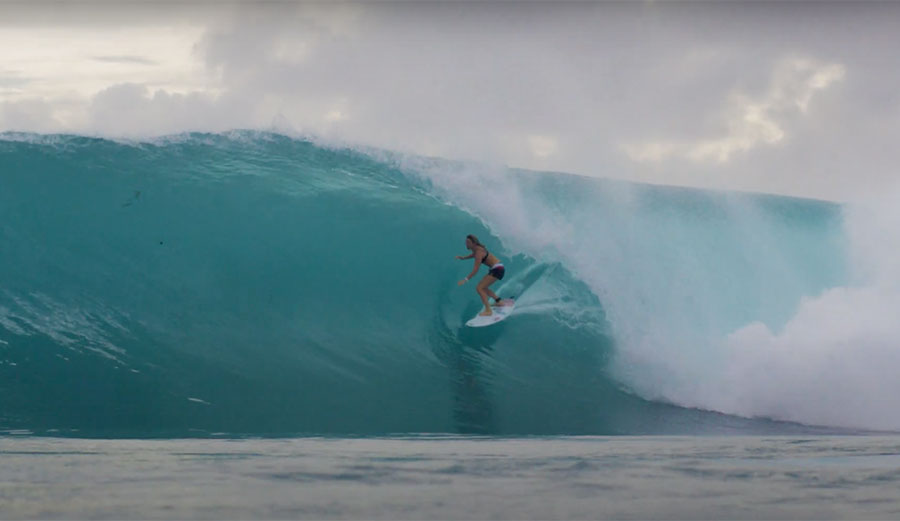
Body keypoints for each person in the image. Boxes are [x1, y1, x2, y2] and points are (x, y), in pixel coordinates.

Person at [456, 234, 509, 316]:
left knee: (479, 288)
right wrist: (463, 258)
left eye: (468, 242)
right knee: (484, 288)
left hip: (497, 269)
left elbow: (476, 269)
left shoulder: (478, 252)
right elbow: (473, 255)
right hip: (498, 267)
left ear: (474, 243)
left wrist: (465, 279)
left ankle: (488, 310)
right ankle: (499, 302)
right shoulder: (477, 249)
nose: (466, 243)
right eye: (466, 242)